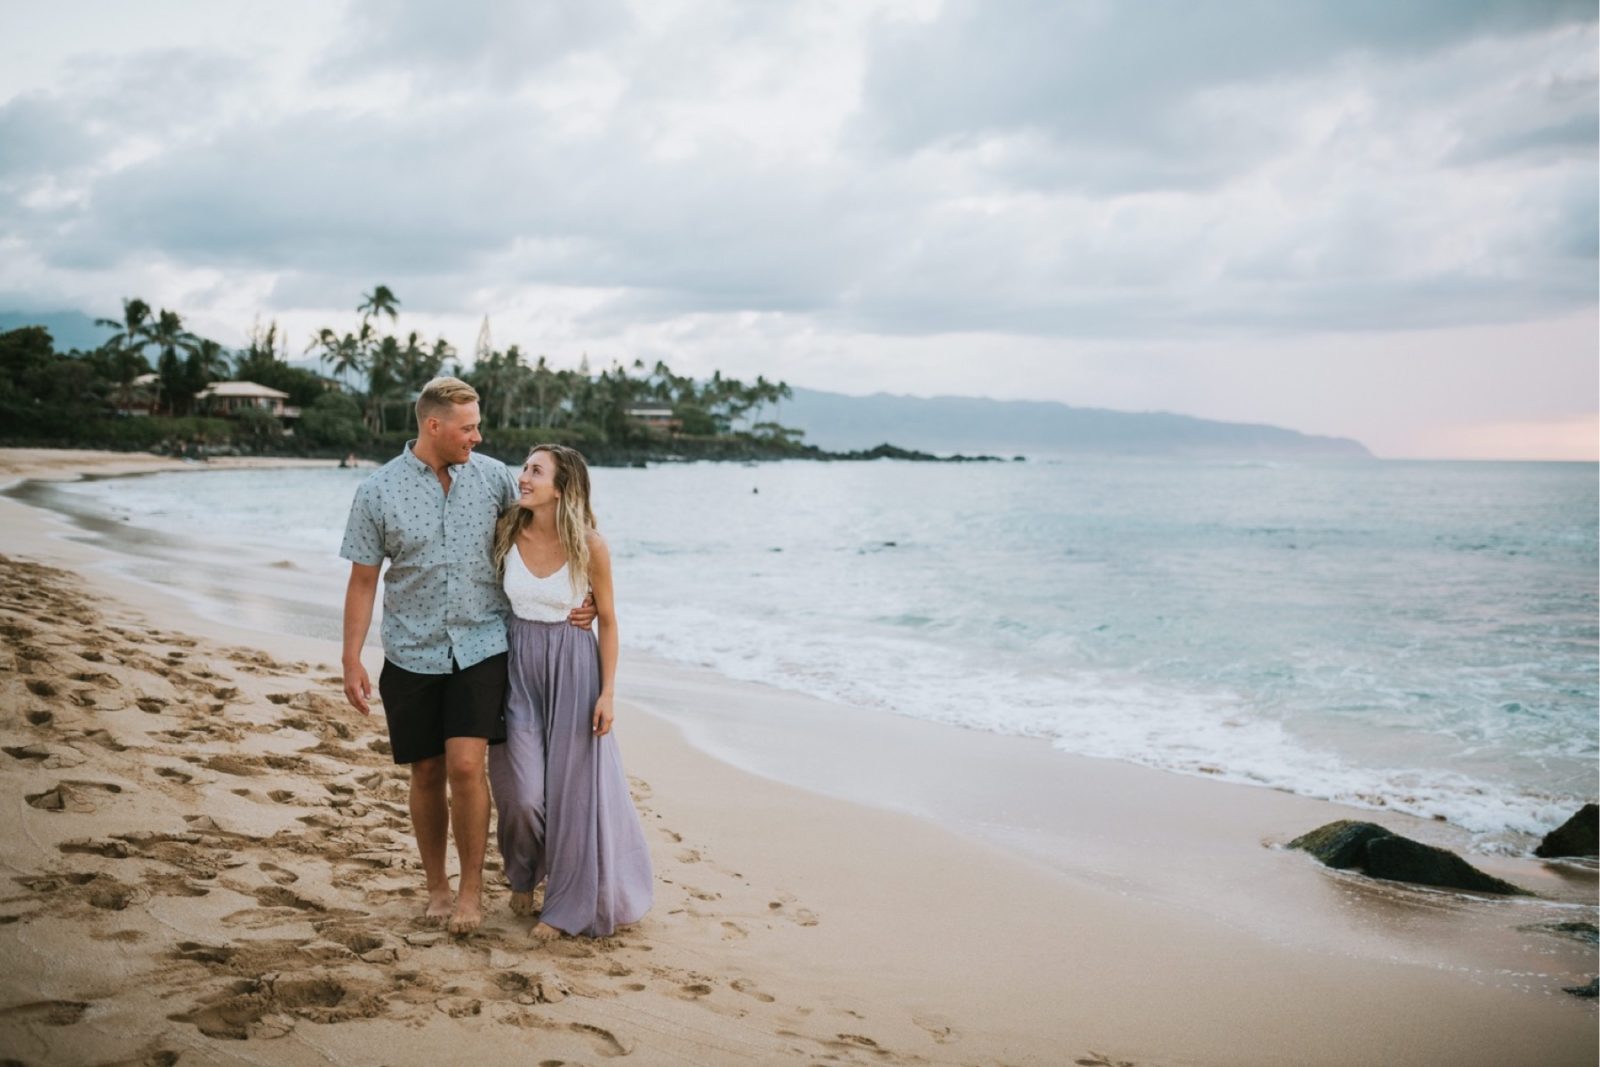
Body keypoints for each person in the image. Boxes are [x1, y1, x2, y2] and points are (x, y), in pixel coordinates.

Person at [338, 378, 593, 934]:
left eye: (477, 425)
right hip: (410, 651)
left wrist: (588, 596)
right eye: (468, 427)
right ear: (434, 426)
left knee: (466, 766)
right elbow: (362, 581)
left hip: (482, 645)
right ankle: (437, 887)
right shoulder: (377, 492)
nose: (478, 436)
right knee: (425, 771)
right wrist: (351, 658)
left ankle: (472, 892)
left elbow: (563, 524)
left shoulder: (498, 479)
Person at [488, 444, 653, 939]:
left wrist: (607, 694)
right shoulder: (506, 529)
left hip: (574, 671)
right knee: (521, 795)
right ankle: (522, 872)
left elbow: (609, 619)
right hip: (517, 669)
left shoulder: (590, 545)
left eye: (535, 471)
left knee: (573, 795)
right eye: (524, 468)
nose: (523, 477)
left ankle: (563, 906)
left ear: (560, 487)